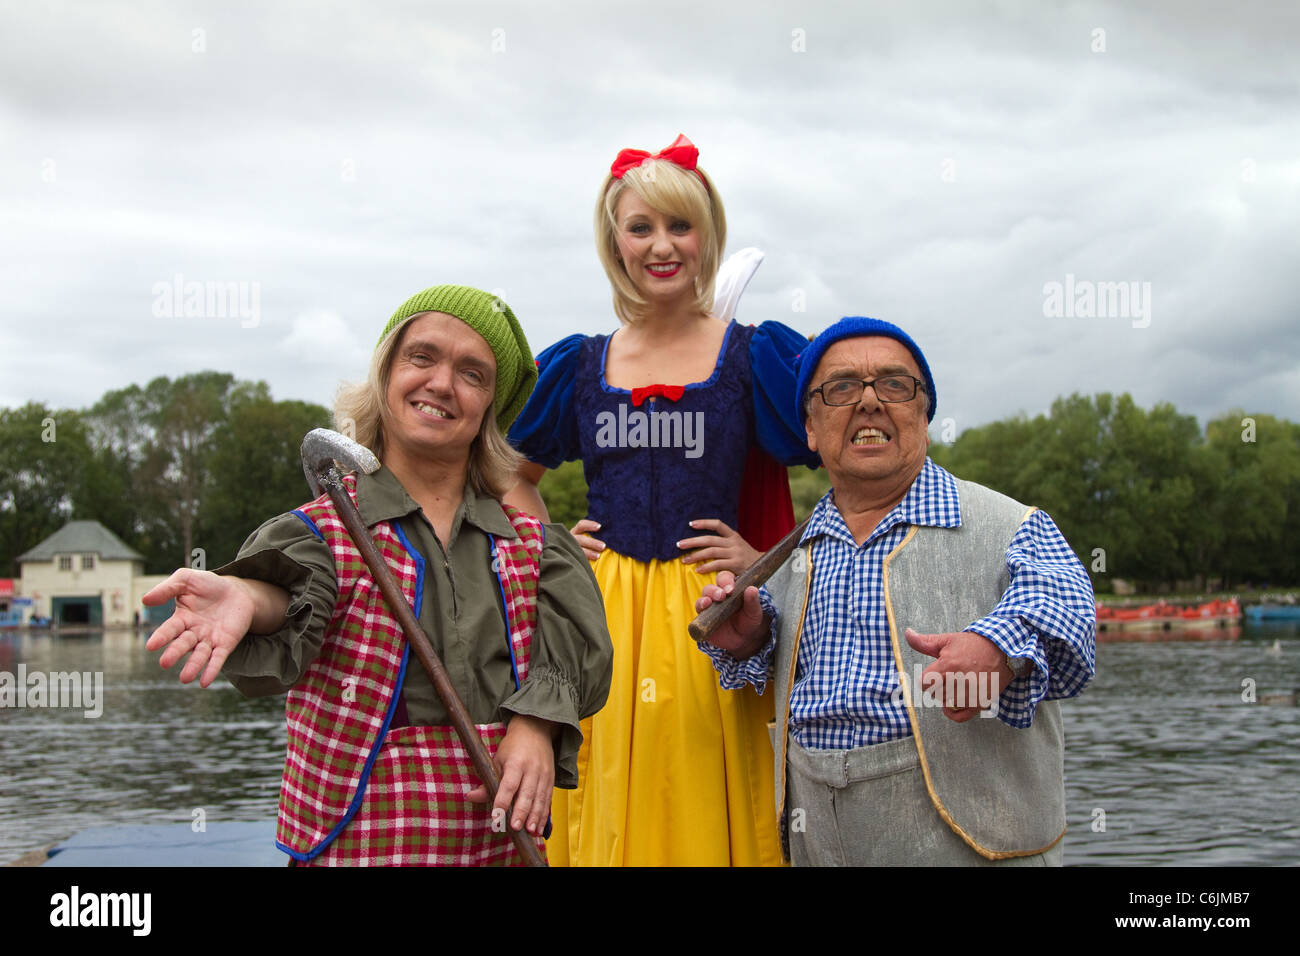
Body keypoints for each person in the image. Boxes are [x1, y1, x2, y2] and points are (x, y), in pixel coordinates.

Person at [143, 284, 613, 866]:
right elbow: (288, 592)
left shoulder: (539, 549)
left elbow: (575, 662)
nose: (441, 383)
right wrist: (243, 595)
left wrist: (537, 726)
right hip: (355, 848)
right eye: (422, 357)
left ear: (491, 408)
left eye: (472, 373)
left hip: (498, 850)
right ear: (386, 373)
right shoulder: (322, 532)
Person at [505, 135, 819, 866]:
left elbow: (849, 462)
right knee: (610, 780)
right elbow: (511, 473)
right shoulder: (580, 363)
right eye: (641, 227)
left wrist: (767, 558)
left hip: (714, 610)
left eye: (680, 226)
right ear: (614, 241)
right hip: (601, 609)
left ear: (707, 235)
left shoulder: (753, 354)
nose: (661, 245)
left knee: (703, 784)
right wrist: (547, 545)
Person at [695, 316, 1097, 866]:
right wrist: (753, 637)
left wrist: (997, 649)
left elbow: (1070, 607)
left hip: (974, 847)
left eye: (894, 384)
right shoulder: (791, 556)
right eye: (841, 388)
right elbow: (783, 666)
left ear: (924, 418)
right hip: (818, 843)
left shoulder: (1009, 524)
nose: (869, 401)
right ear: (810, 429)